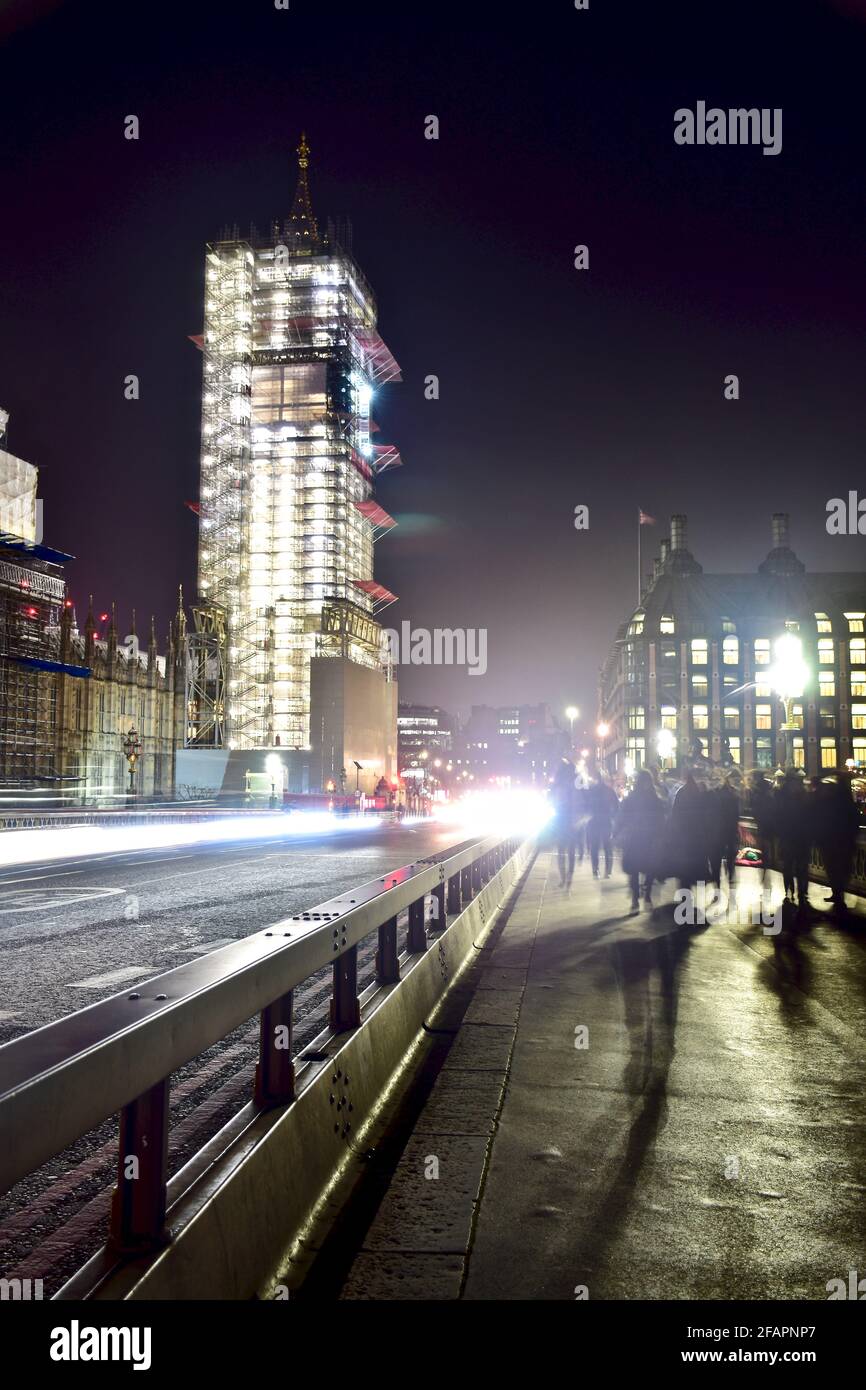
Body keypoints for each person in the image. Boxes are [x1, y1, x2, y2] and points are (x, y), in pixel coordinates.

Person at [617, 770, 667, 911]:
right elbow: (623, 816)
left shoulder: (650, 798)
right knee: (639, 869)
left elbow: (660, 818)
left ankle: (642, 896)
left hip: (643, 838)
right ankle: (639, 898)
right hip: (641, 837)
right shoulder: (648, 798)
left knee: (645, 868)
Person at [817, 775, 859, 916]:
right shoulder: (846, 803)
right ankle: (838, 893)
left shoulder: (830, 803)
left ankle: (837, 893)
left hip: (834, 841)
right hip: (840, 841)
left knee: (834, 868)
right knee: (839, 868)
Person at [774, 770, 811, 908]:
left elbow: (777, 816)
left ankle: (792, 891)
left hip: (790, 836)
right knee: (798, 866)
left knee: (790, 865)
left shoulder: (781, 795)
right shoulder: (803, 795)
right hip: (798, 837)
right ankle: (800, 892)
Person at [708, 776, 741, 890]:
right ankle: (730, 871)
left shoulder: (714, 796)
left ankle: (717, 881)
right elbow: (737, 815)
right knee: (730, 854)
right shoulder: (733, 796)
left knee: (716, 858)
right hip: (730, 830)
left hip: (717, 831)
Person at [550, 757, 577, 888]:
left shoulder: (561, 786)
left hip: (563, 820)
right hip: (567, 821)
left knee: (563, 852)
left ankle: (565, 877)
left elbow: (552, 801)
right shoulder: (571, 785)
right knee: (568, 852)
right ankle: (567, 877)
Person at [585, 776, 619, 878]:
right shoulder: (609, 791)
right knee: (608, 847)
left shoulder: (592, 791)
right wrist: (613, 817)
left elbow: (586, 806)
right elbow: (616, 806)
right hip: (606, 821)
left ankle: (595, 870)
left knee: (595, 847)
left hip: (594, 821)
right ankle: (608, 871)